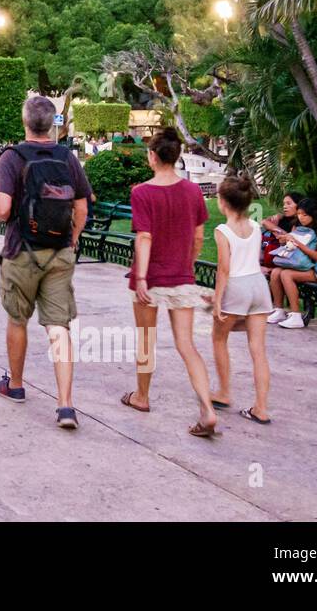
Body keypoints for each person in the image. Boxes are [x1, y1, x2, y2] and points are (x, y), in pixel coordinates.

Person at [0, 96, 92, 429]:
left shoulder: (11, 158)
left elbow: (3, 209)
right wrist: (72, 239)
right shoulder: (68, 158)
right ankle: (65, 405)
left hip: (22, 251)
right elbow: (81, 208)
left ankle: (16, 384)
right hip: (59, 252)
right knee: (58, 327)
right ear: (52, 124)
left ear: (24, 121)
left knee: (17, 319)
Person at [122, 128, 217, 438]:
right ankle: (207, 408)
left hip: (151, 278)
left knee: (146, 340)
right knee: (187, 345)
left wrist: (141, 277)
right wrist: (187, 264)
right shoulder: (192, 192)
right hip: (182, 276)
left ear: (152, 156)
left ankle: (142, 397)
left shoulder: (142, 193)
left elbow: (144, 237)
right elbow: (200, 234)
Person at [209, 173, 273, 425]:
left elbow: (224, 268)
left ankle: (224, 392)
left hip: (236, 286)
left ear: (223, 202)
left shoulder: (222, 230)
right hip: (258, 285)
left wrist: (216, 299)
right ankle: (261, 407)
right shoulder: (256, 226)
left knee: (218, 337)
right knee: (258, 349)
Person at [267, 196, 317, 330]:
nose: (301, 217)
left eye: (305, 214)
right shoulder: (297, 226)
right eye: (298, 214)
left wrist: (297, 243)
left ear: (314, 214)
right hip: (305, 266)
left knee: (286, 275)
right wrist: (284, 241)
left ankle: (296, 315)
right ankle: (279, 310)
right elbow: (292, 248)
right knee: (276, 272)